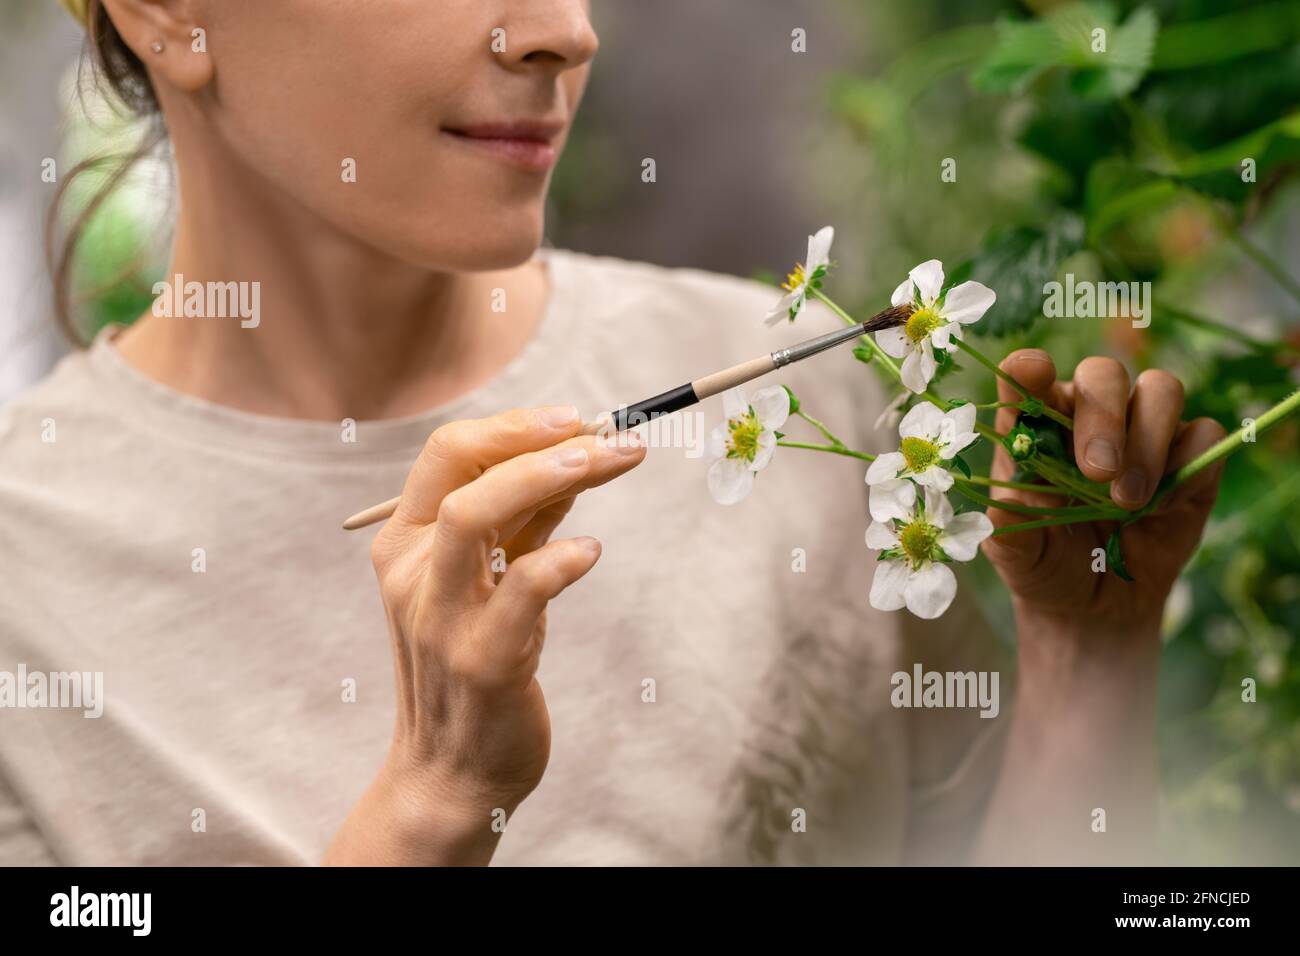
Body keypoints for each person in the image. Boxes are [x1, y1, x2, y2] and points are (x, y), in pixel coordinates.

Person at [0, 0, 1225, 866]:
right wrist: (433, 806)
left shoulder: (810, 396)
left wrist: (1088, 652)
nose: (564, 28)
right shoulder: (26, 566)